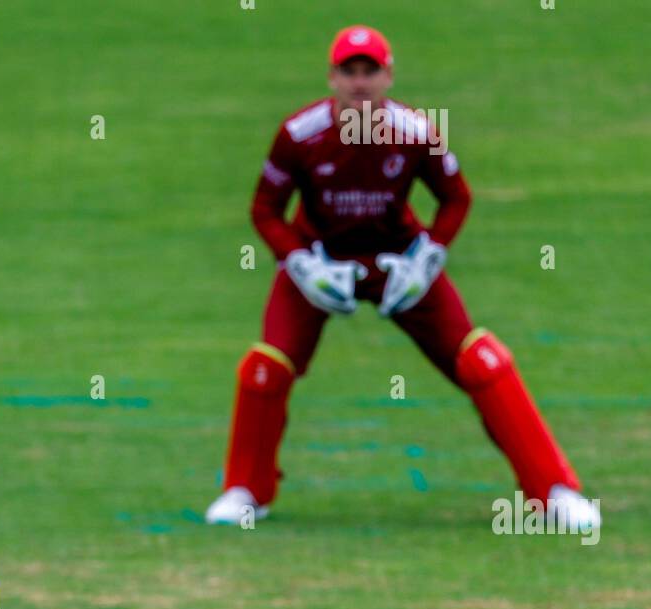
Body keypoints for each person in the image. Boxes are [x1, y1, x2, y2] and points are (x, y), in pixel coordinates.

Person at [206, 23, 600, 532]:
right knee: (266, 367)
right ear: (332, 78)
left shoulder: (415, 132)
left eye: (370, 71)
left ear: (388, 76)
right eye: (350, 72)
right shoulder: (299, 135)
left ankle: (554, 493)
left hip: (399, 265)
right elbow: (265, 209)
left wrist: (428, 258)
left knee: (482, 361)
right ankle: (245, 492)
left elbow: (456, 198)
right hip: (321, 265)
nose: (360, 83)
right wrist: (300, 264)